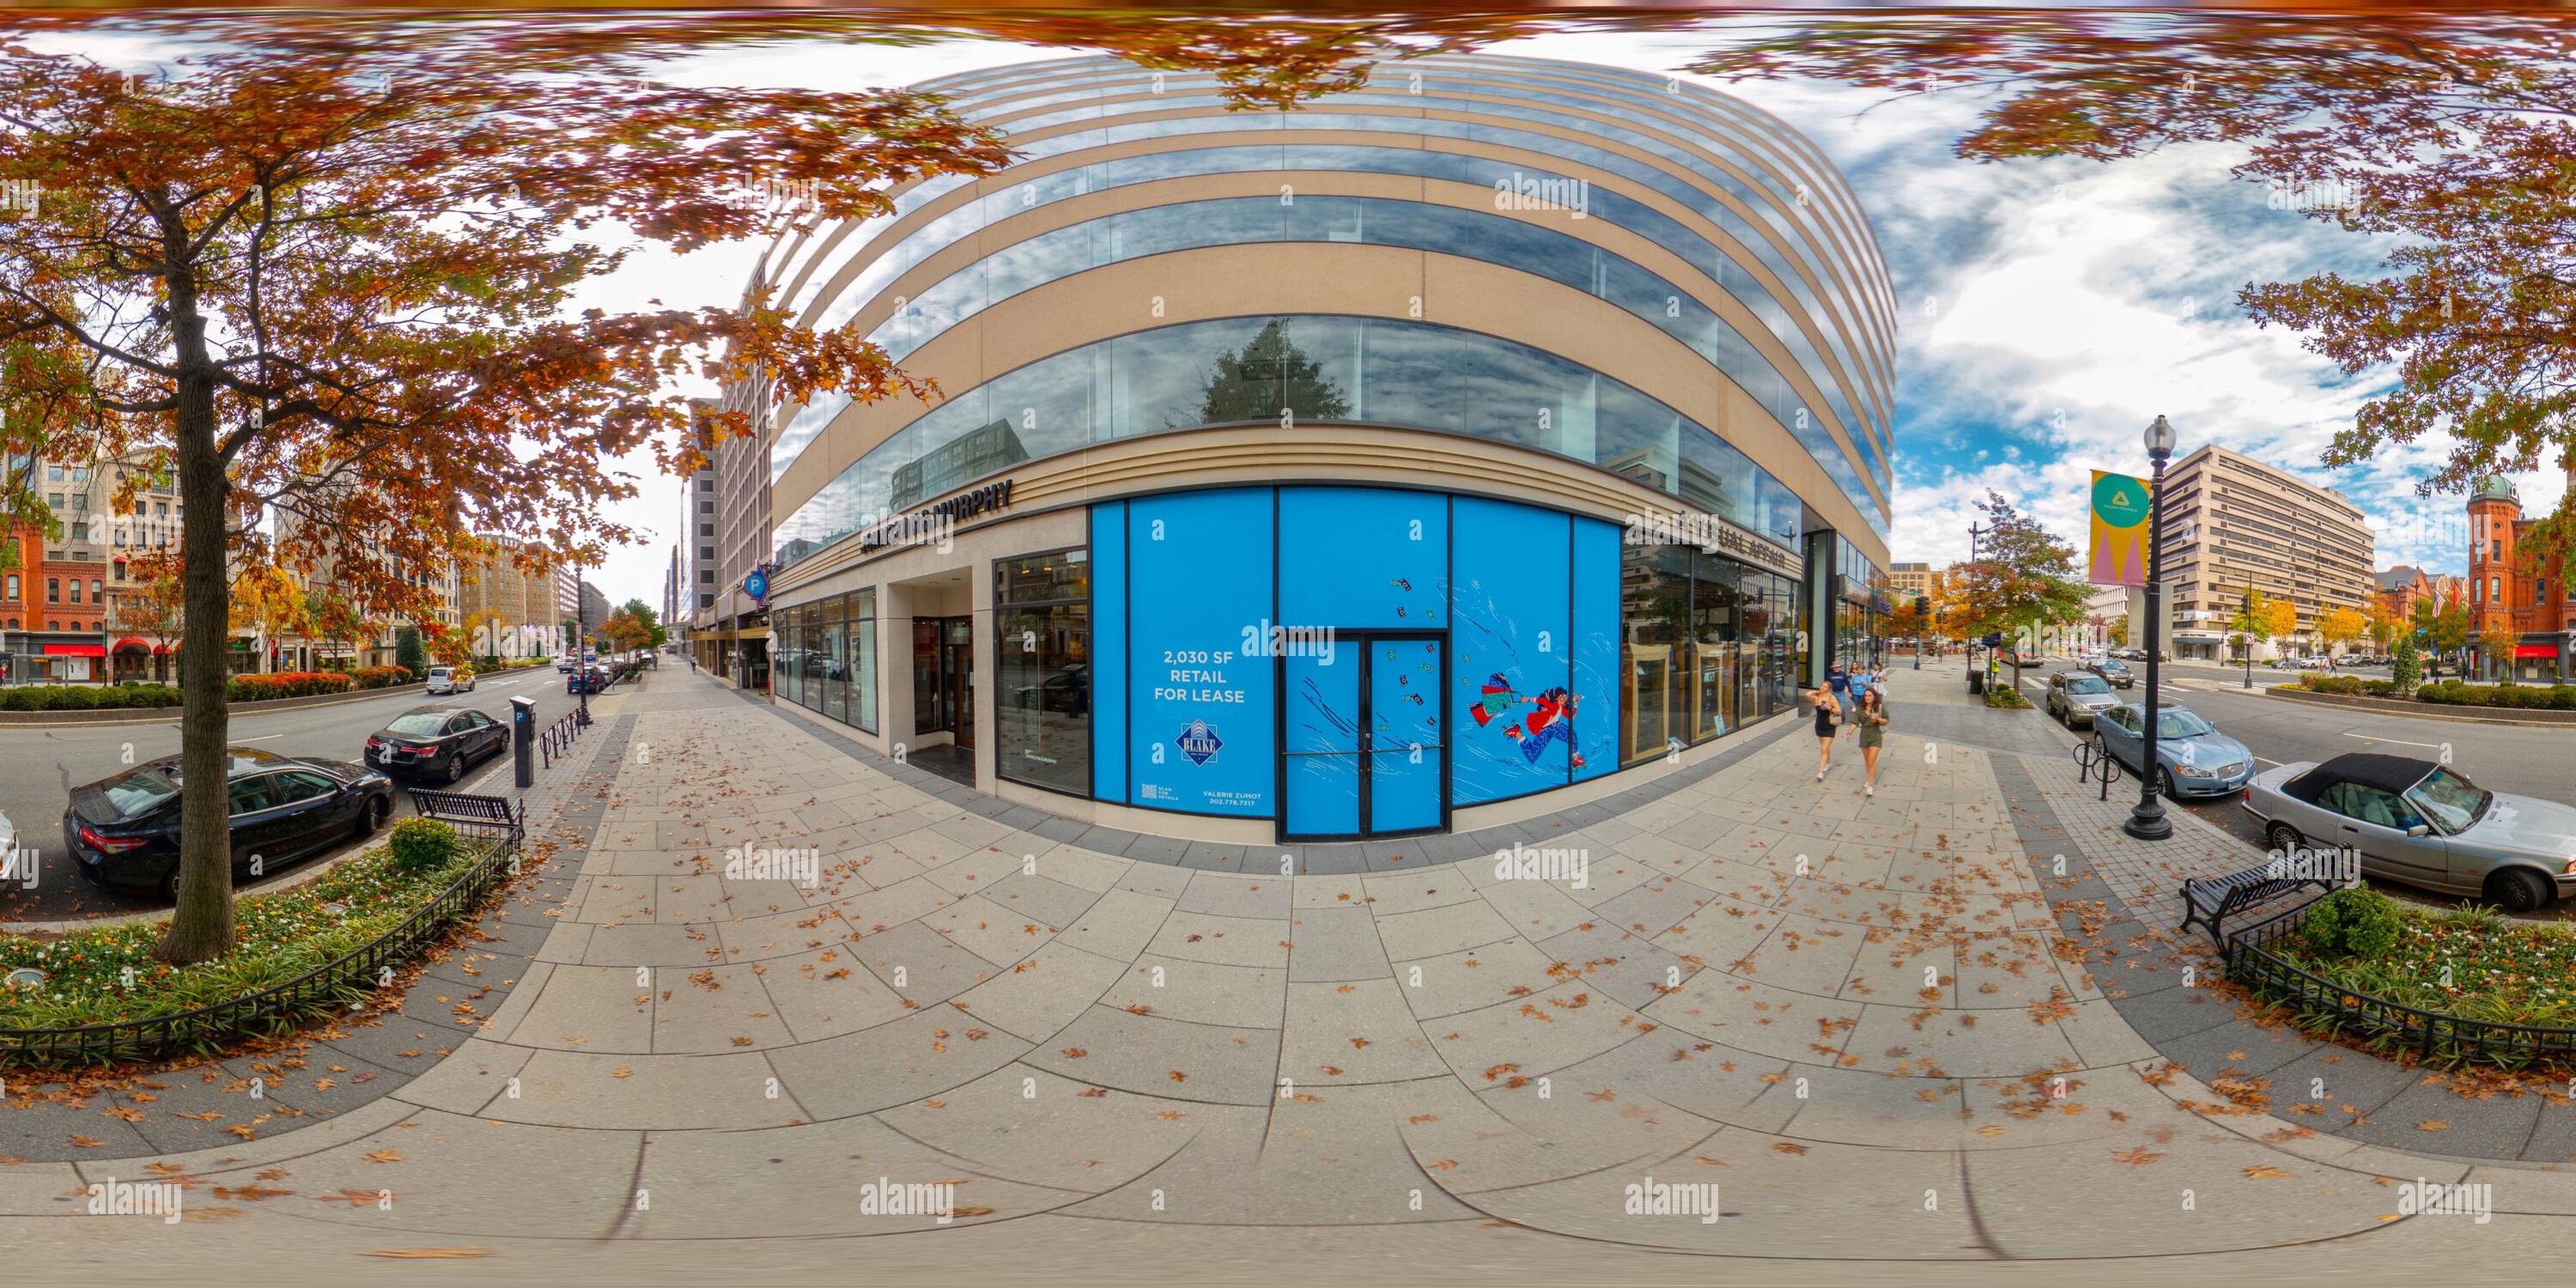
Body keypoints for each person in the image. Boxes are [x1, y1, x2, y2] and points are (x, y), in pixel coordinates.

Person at [1854, 687, 1889, 796]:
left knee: (1871, 761)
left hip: (1876, 737)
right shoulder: (1860, 708)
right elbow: (1855, 722)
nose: (1868, 697)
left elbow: (1887, 721)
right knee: (1867, 761)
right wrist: (1849, 732)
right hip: (1864, 736)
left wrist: (1878, 719)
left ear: (1874, 697)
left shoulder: (1880, 707)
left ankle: (1870, 786)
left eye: (1870, 696)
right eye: (1866, 696)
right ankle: (1869, 779)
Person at [1810, 679, 1843, 781]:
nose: (1822, 688)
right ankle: (1828, 763)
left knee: (1823, 749)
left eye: (1825, 687)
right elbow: (1807, 694)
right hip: (1819, 725)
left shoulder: (1831, 698)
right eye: (1821, 686)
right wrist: (1815, 692)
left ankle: (1820, 772)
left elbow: (1839, 711)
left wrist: (1830, 708)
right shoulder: (1817, 697)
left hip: (1829, 726)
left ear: (1829, 689)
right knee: (1825, 747)